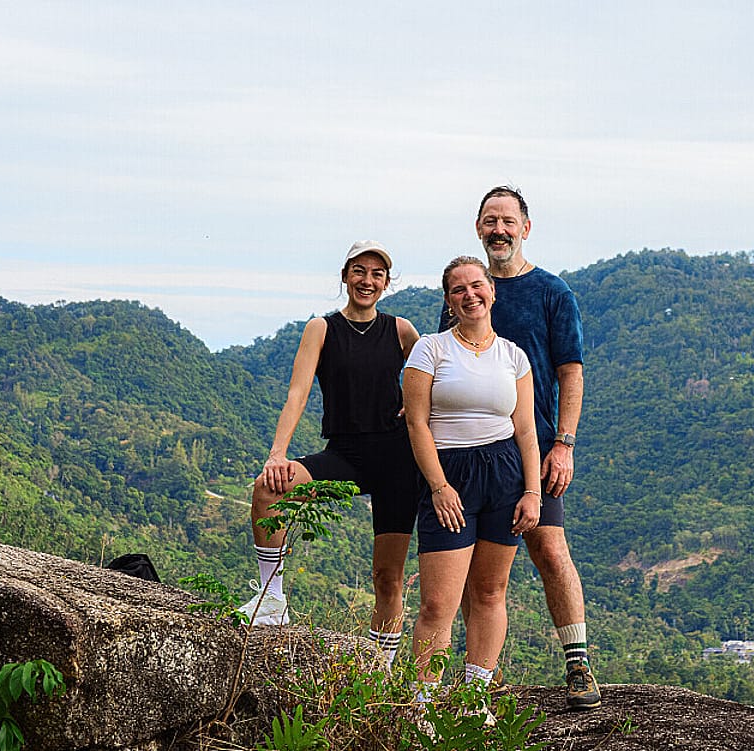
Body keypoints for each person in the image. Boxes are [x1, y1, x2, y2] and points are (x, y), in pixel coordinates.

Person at [450, 185, 602, 709]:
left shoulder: (553, 293)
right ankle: (478, 679)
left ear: (526, 228)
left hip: (535, 445)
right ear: (478, 229)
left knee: (549, 548)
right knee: (476, 568)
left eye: (507, 221)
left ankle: (578, 663)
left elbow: (570, 372)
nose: (499, 230)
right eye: (489, 221)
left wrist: (564, 443)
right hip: (472, 452)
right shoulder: (465, 289)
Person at [239, 240, 420, 670]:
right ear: (344, 276)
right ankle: (272, 600)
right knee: (267, 490)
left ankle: (382, 671)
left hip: (397, 460)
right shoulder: (321, 329)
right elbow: (298, 392)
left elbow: (436, 378)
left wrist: (416, 404)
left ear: (387, 282)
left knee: (387, 578)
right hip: (344, 454)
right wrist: (278, 453)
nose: (367, 281)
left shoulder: (401, 330)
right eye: (359, 271)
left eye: (377, 274)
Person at [403, 256, 541, 705]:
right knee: (437, 604)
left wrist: (532, 492)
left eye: (477, 285)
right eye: (459, 289)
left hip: (504, 473)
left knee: (489, 592)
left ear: (492, 291)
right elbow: (417, 424)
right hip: (450, 474)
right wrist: (439, 487)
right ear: (448, 300)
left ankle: (473, 698)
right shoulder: (430, 349)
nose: (470, 295)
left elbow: (525, 429)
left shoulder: (514, 357)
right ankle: (422, 705)